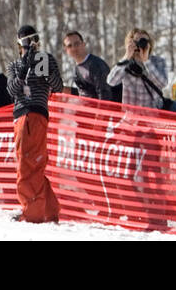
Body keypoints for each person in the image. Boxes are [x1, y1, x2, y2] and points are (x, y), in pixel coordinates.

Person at [6, 25, 63, 223]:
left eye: (33, 38)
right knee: (34, 163)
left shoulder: (46, 59)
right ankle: (48, 209)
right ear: (19, 43)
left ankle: (32, 212)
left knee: (27, 164)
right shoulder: (14, 65)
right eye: (26, 40)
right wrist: (23, 68)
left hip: (35, 114)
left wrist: (45, 70)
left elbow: (58, 86)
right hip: (23, 114)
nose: (30, 44)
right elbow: (12, 91)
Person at [107, 29, 170, 110]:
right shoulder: (125, 63)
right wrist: (126, 56)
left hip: (152, 115)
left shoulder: (158, 61)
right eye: (137, 41)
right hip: (130, 117)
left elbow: (163, 83)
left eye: (144, 41)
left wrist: (146, 61)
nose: (140, 44)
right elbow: (111, 81)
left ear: (149, 44)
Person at [63, 31, 116, 101]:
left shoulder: (96, 65)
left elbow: (105, 95)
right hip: (88, 108)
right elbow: (84, 93)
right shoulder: (76, 69)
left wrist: (98, 112)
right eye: (69, 46)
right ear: (66, 50)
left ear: (83, 44)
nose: (73, 48)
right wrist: (61, 89)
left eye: (76, 44)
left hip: (104, 109)